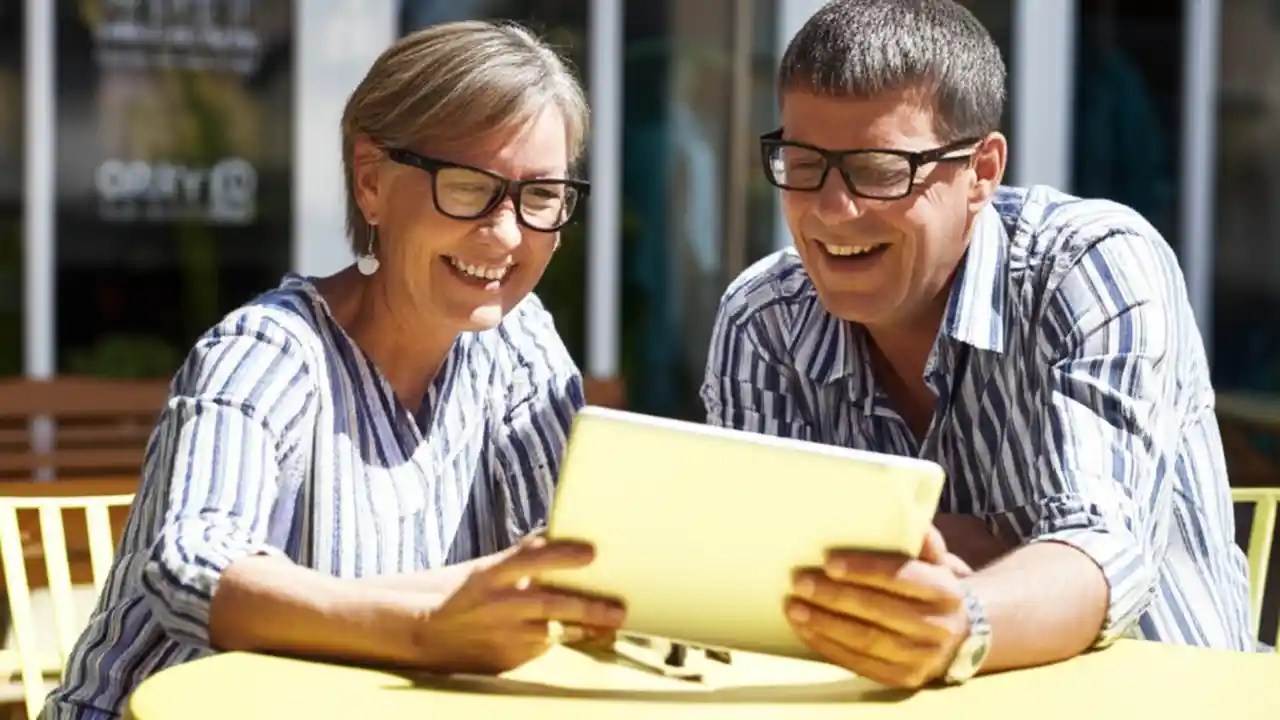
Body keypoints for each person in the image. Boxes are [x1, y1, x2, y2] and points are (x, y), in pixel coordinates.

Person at [45, 21, 624, 719]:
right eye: (469, 187)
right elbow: (192, 570)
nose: (506, 235)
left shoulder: (520, 344)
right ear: (372, 181)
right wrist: (426, 631)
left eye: (540, 197)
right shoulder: (268, 353)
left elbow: (567, 561)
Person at [701, 0, 1254, 690]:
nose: (831, 209)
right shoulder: (764, 318)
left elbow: (1097, 550)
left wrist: (958, 621)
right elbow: (760, 573)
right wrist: (992, 566)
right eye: (804, 163)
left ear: (983, 171)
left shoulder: (1093, 264)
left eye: (878, 169)